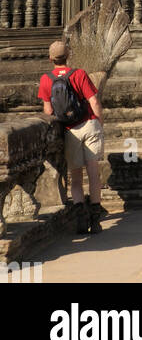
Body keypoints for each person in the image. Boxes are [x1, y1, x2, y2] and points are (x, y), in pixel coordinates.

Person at [37, 40, 107, 235]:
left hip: (70, 131)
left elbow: (48, 110)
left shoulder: (46, 79)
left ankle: (81, 219)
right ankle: (96, 219)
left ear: (50, 58)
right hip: (89, 124)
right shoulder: (79, 74)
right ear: (68, 56)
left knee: (75, 178)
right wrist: (99, 122)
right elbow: (93, 101)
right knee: (93, 173)